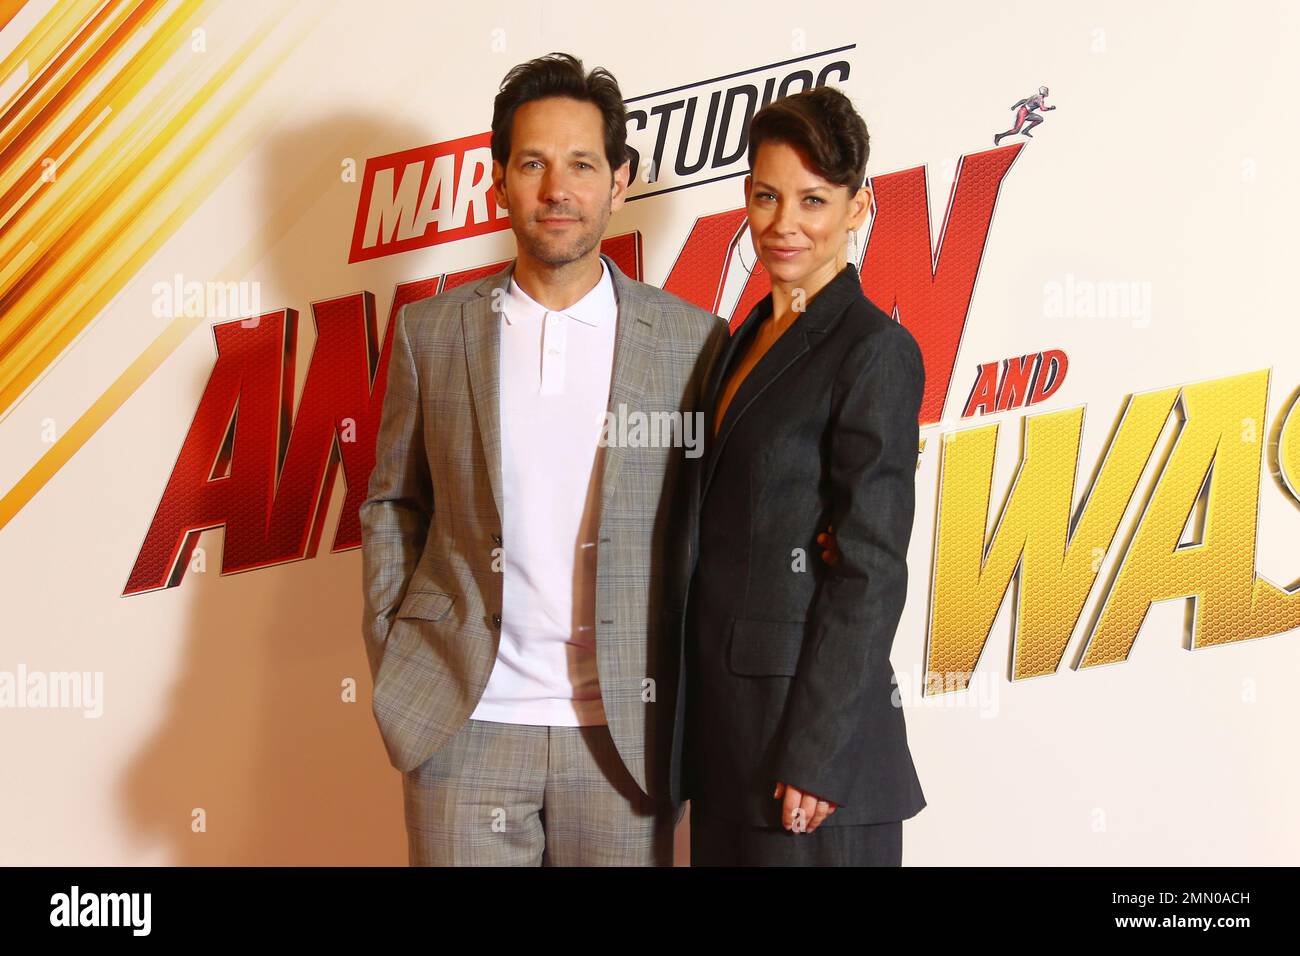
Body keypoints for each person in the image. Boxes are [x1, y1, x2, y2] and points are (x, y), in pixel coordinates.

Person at [358, 52, 729, 865]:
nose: (557, 189)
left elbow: (714, 530)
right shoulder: (433, 333)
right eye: (533, 163)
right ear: (499, 182)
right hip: (465, 725)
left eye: (581, 165)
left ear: (619, 182)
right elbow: (392, 503)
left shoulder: (691, 342)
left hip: (626, 737)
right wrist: (398, 654)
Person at [669, 85, 928, 866]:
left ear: (858, 207)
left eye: (814, 200)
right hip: (727, 740)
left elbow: (870, 568)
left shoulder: (873, 349)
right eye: (766, 195)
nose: (785, 224)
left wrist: (817, 752)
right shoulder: (741, 337)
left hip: (807, 756)